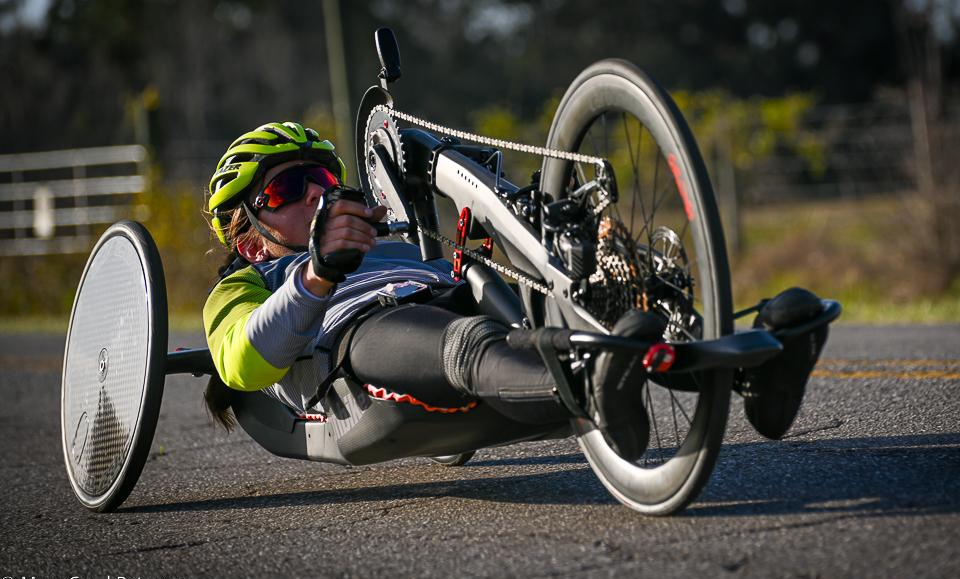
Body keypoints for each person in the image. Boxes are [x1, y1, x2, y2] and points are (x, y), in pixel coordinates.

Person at [203, 121, 665, 461]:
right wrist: (318, 273)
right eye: (286, 187)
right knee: (467, 341)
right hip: (361, 338)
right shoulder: (248, 284)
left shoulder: (386, 243)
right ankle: (592, 388)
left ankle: (671, 331)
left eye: (321, 180)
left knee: (543, 291)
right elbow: (244, 364)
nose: (313, 194)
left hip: (453, 301)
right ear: (248, 240)